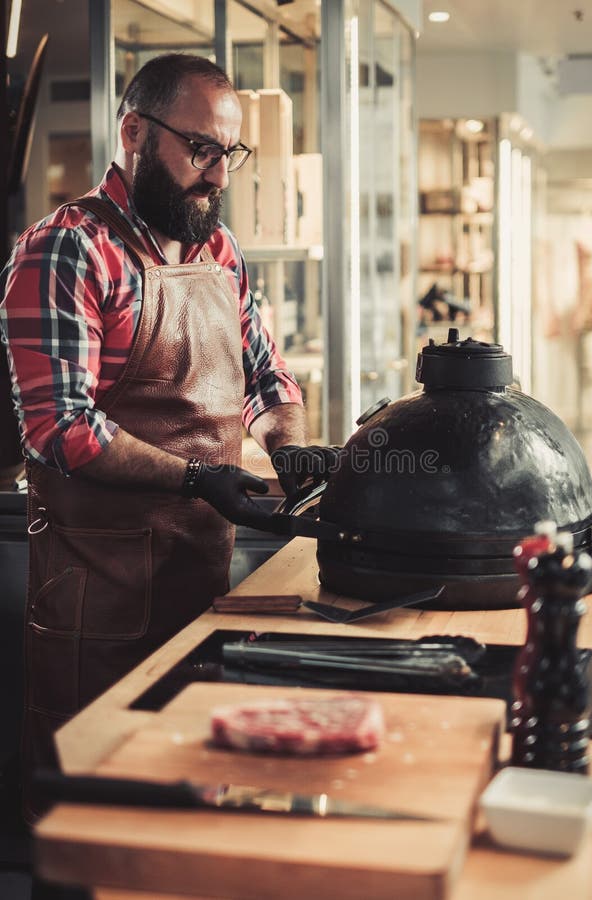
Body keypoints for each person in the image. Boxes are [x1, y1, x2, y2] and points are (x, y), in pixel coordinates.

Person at [0, 53, 338, 821]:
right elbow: (59, 428)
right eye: (201, 149)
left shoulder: (218, 252)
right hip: (100, 598)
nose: (219, 175)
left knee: (189, 807)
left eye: (230, 153)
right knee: (96, 819)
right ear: (133, 133)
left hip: (204, 581)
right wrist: (196, 478)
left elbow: (267, 379)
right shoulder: (66, 250)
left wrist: (290, 449)